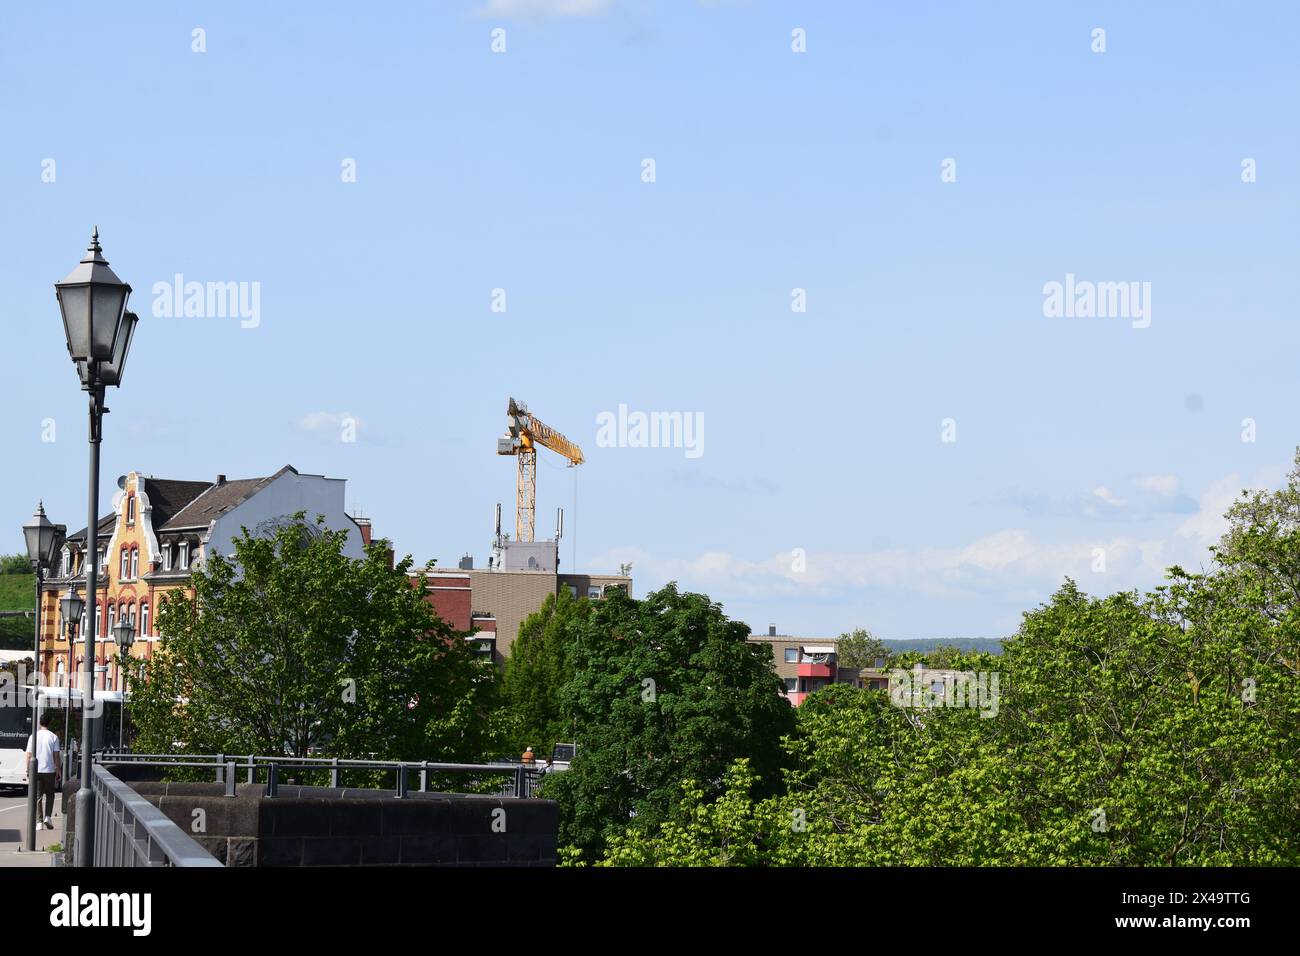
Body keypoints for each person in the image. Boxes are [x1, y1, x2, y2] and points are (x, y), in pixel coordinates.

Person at [24, 712, 61, 830]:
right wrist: (58, 770)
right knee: (50, 794)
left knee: (37, 796)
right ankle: (48, 817)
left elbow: (28, 755)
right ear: (49, 723)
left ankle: (39, 822)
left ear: (40, 723)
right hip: (49, 770)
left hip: (36, 770)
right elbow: (56, 756)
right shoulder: (53, 737)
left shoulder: (33, 736)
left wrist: (28, 769)